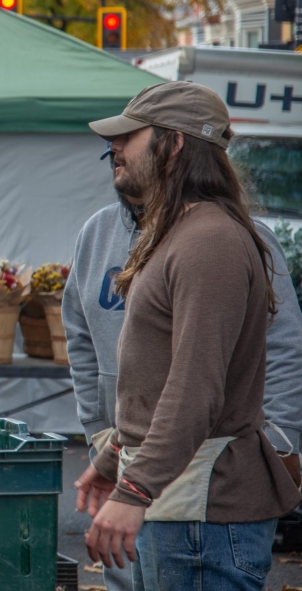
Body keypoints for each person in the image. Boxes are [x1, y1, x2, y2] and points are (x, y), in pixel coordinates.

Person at [73, 81, 301, 589]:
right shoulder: (183, 232)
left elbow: (195, 387)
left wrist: (133, 488)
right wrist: (114, 459)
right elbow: (154, 382)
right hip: (181, 505)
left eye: (129, 137)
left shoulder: (210, 240)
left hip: (203, 513)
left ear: (174, 143)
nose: (113, 148)